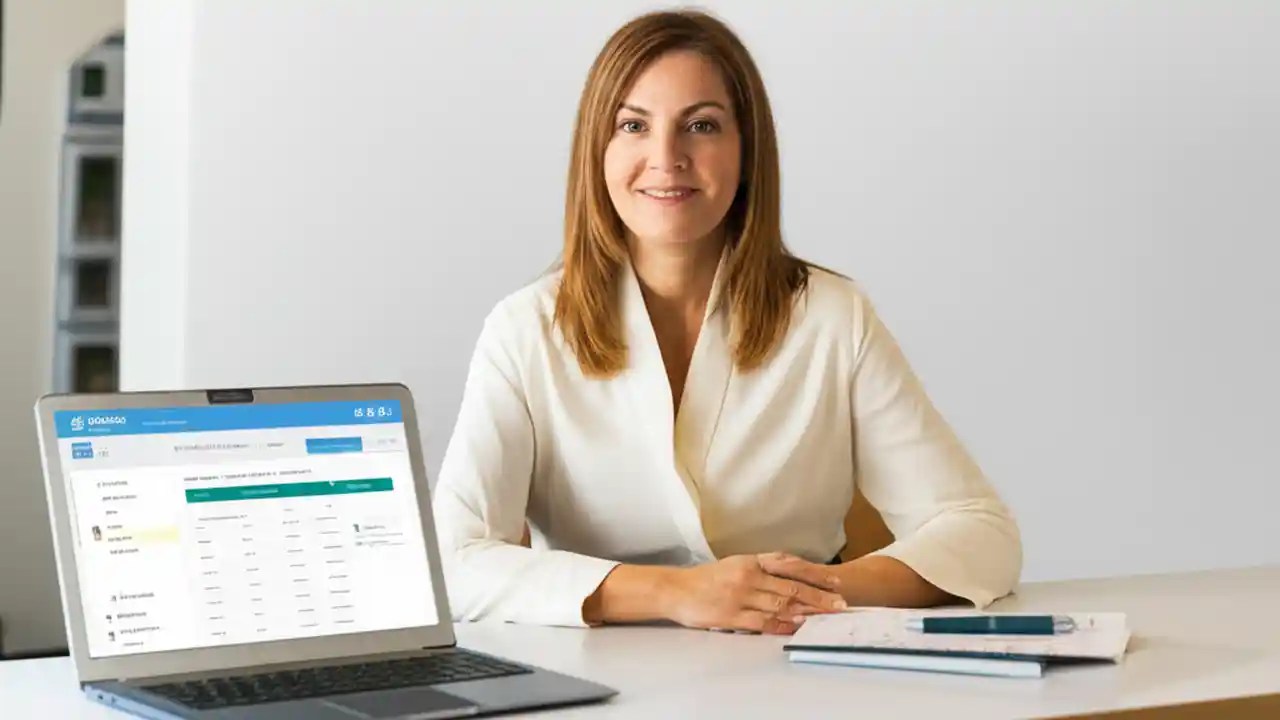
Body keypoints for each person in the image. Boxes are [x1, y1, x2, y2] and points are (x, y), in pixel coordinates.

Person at [432, 9, 1021, 635]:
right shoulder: (524, 331)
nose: (667, 158)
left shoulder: (831, 317)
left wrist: (794, 595)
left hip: (795, 671)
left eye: (702, 126)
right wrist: (676, 593)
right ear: (596, 152)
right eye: (633, 125)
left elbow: (981, 533)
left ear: (746, 150)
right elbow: (453, 561)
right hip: (599, 683)